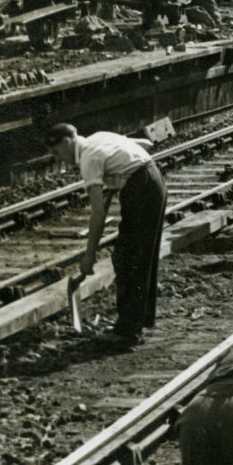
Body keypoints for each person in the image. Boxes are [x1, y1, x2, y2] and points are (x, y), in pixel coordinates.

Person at [44, 123, 167, 348]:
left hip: (142, 187)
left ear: (67, 142)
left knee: (129, 258)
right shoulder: (96, 137)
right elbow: (120, 171)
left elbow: (98, 213)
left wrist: (89, 256)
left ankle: (128, 332)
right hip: (151, 179)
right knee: (134, 256)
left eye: (57, 152)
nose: (59, 159)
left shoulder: (88, 159)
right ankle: (132, 324)